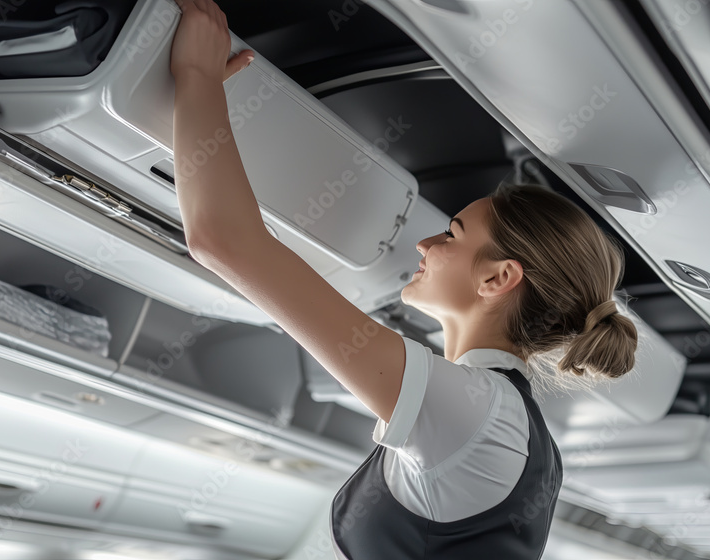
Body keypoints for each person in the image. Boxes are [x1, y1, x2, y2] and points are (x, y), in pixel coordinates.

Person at [168, 1, 639, 558]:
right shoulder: (489, 415)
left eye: (452, 234)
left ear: (498, 278)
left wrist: (195, 78)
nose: (424, 243)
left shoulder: (478, 409)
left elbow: (222, 240)